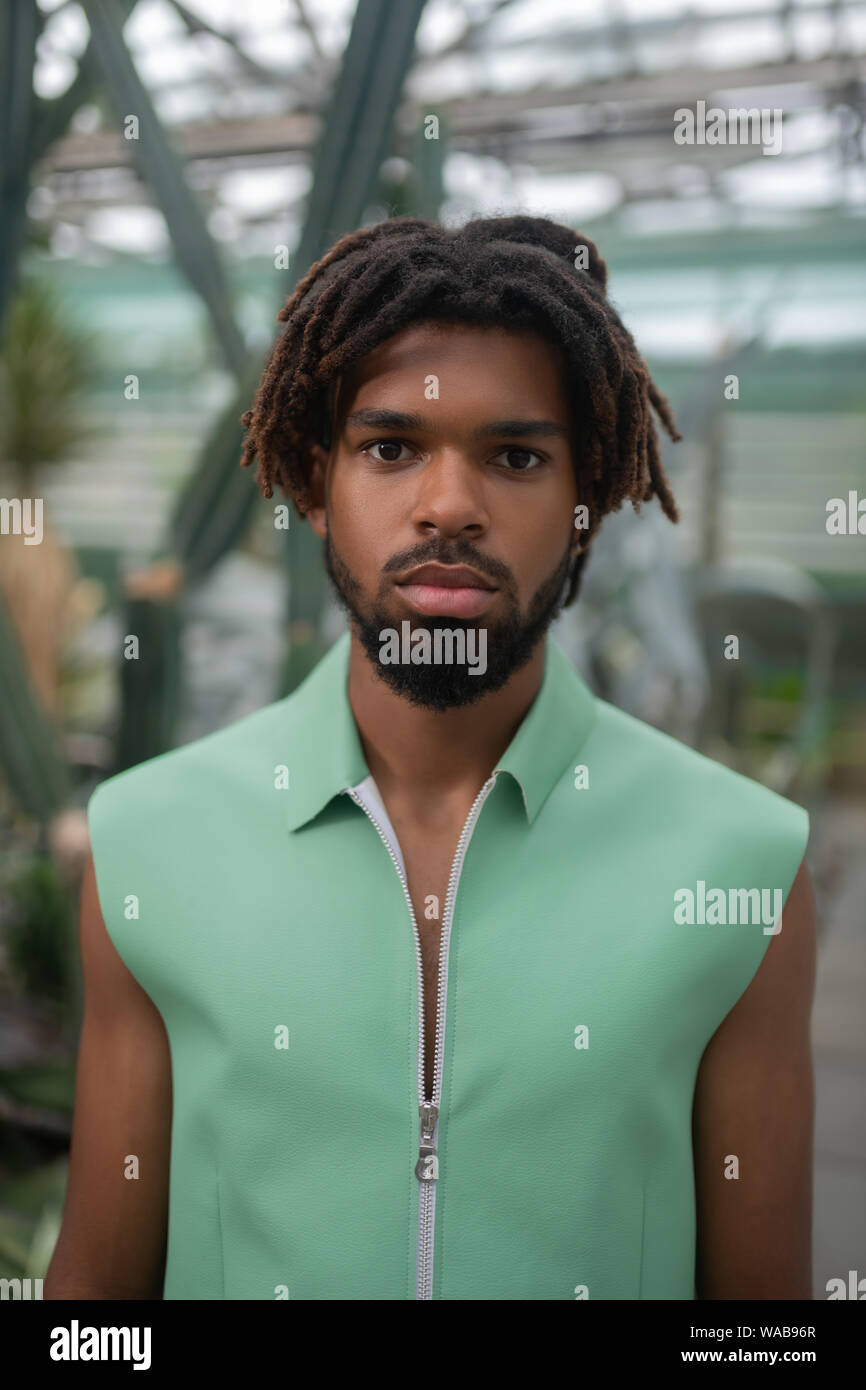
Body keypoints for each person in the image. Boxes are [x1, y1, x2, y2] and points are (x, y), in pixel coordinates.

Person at [46, 216, 815, 1301]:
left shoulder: (741, 865)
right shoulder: (146, 844)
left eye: (514, 455)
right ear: (313, 483)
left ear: (586, 502)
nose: (447, 506)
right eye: (390, 447)